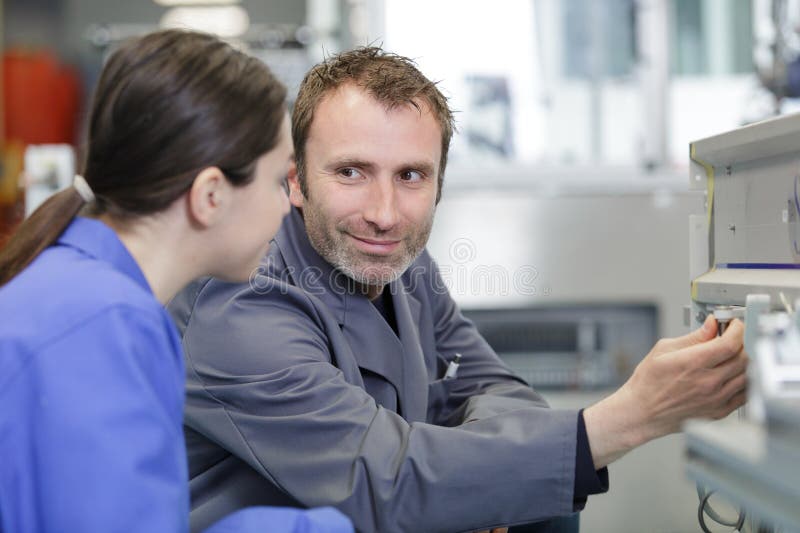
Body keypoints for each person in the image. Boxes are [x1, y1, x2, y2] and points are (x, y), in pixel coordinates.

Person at [167, 47, 748, 533]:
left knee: (536, 506)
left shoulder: (405, 270)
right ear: (296, 182)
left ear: (440, 184)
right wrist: (632, 416)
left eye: (411, 176)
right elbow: (380, 479)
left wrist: (478, 486)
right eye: (351, 172)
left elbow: (493, 385)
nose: (384, 213)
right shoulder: (244, 299)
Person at [0, 29, 352, 533]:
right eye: (279, 179)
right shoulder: (104, 325)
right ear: (210, 195)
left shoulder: (84, 292)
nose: (288, 203)